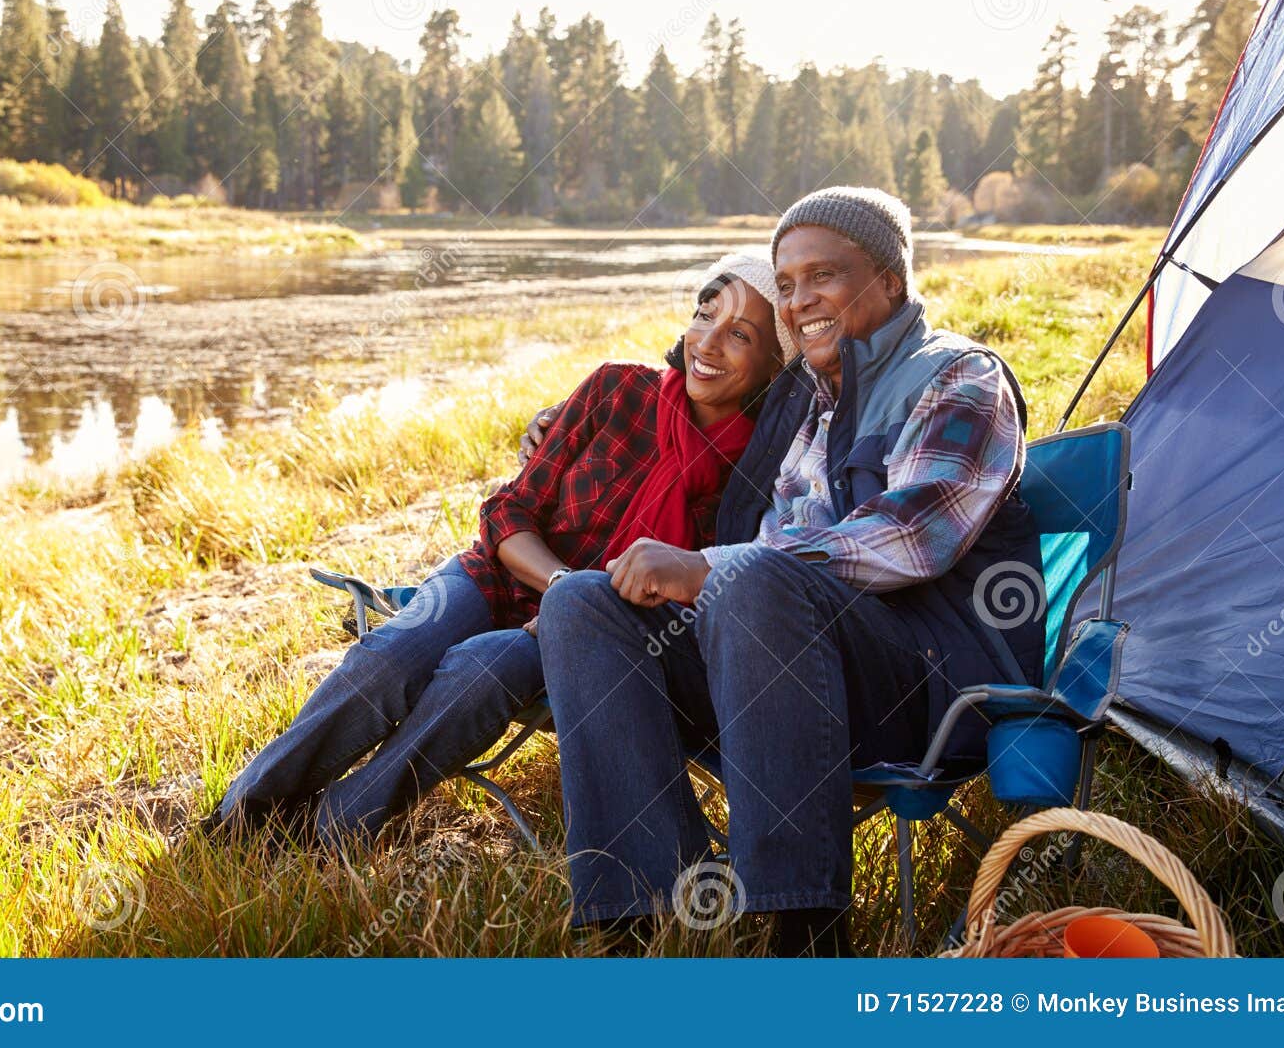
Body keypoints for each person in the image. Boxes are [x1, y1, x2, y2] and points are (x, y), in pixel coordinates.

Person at [534, 187, 1043, 955]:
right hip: (795, 675)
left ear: (891, 281)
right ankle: (641, 910)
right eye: (788, 282)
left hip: (931, 686)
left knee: (756, 577)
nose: (800, 300)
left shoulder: (959, 377)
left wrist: (711, 567)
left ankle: (806, 931)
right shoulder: (811, 406)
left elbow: (914, 535)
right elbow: (767, 525)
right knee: (582, 602)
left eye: (824, 276)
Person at [204, 254, 793, 843]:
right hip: (497, 574)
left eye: (739, 335)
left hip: (585, 636)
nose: (708, 344)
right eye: (703, 315)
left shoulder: (756, 475)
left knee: (476, 676)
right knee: (390, 657)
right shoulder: (619, 389)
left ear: (776, 362)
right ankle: (242, 814)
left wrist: (578, 613)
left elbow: (694, 596)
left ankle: (330, 829)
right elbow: (510, 510)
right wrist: (563, 585)